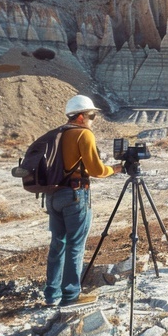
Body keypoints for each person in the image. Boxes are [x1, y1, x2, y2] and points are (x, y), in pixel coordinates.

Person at [44, 95, 122, 307]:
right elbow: (97, 170)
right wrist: (114, 169)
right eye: (91, 115)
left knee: (57, 244)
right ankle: (70, 296)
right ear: (80, 116)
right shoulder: (83, 134)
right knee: (75, 246)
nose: (92, 119)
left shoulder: (57, 134)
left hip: (52, 196)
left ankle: (51, 295)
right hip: (75, 195)